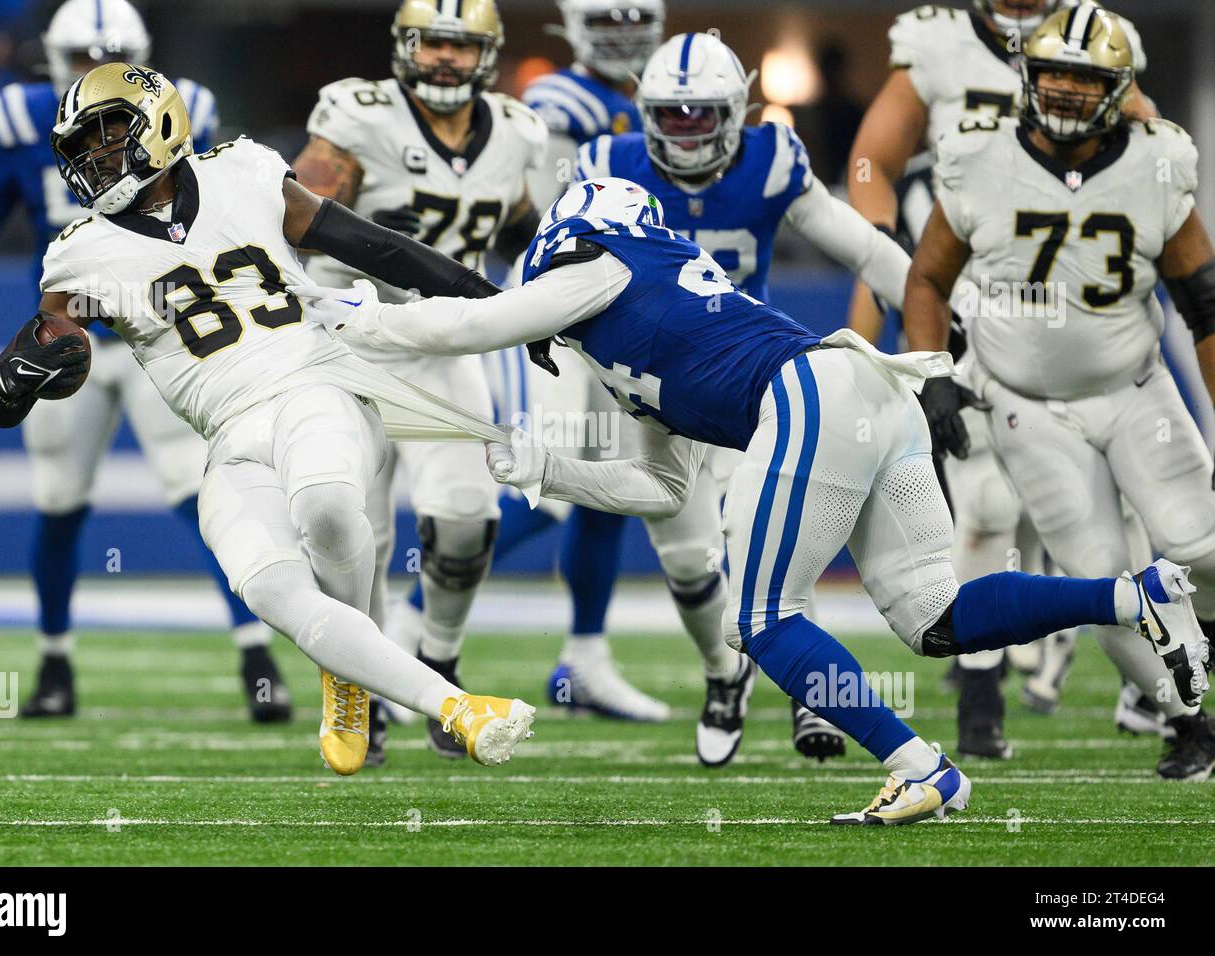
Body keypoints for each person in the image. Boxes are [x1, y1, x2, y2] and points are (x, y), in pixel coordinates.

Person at [307, 175, 1209, 821]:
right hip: (866, 394)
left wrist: (362, 319)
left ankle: (921, 766)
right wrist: (546, 469)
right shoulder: (641, 322)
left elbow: (471, 321)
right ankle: (1140, 595)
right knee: (932, 615)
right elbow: (663, 489)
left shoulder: (605, 264)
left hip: (812, 394)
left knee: (766, 621)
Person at [0, 63, 536, 774]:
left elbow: (380, 249)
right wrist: (12, 382)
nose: (95, 154)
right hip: (229, 440)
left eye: (109, 132)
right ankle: (371, 681)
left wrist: (495, 306)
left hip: (317, 385)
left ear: (161, 122)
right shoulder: (80, 256)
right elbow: (20, 374)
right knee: (274, 587)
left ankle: (443, 704)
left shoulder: (244, 172)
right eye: (82, 143)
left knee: (330, 507)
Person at [0, 0, 286, 723]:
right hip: (64, 344)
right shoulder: (22, 123)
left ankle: (257, 655)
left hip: (162, 341)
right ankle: (55, 664)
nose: (95, 84)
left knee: (203, 496)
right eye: (81, 65)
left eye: (109, 66)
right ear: (54, 65)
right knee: (59, 502)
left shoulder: (186, 113)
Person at [566, 32, 916, 765]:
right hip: (653, 392)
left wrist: (928, 312)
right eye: (672, 114)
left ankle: (808, 692)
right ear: (644, 111)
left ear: (736, 110)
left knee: (775, 533)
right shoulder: (608, 168)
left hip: (747, 380)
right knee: (689, 562)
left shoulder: (770, 161)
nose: (687, 129)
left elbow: (863, 248)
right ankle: (724, 676)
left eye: (702, 115)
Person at [902, 4, 1215, 780]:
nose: (1069, 92)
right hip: (1026, 405)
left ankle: (1194, 644)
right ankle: (1188, 723)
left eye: (1088, 79)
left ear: (1120, 87)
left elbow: (1204, 302)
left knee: (1200, 544)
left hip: (1134, 387)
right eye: (1055, 75)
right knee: (1102, 583)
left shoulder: (1157, 159)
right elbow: (928, 277)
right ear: (1026, 78)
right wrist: (932, 372)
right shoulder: (978, 157)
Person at [843, 0, 1157, 755]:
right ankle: (983, 697)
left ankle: (1159, 678)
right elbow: (868, 167)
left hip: (1078, 293)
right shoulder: (939, 46)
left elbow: (1154, 152)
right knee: (983, 503)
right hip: (977, 291)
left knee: (1133, 505)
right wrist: (882, 263)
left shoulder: (1096, 40)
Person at [292, 0, 546, 763]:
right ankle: (358, 695)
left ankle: (439, 660)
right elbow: (297, 208)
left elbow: (521, 230)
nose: (444, 59)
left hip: (441, 347)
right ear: (406, 46)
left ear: (488, 56)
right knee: (356, 535)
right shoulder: (359, 116)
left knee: (467, 518)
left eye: (460, 47)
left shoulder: (517, 133)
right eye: (432, 43)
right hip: (347, 345)